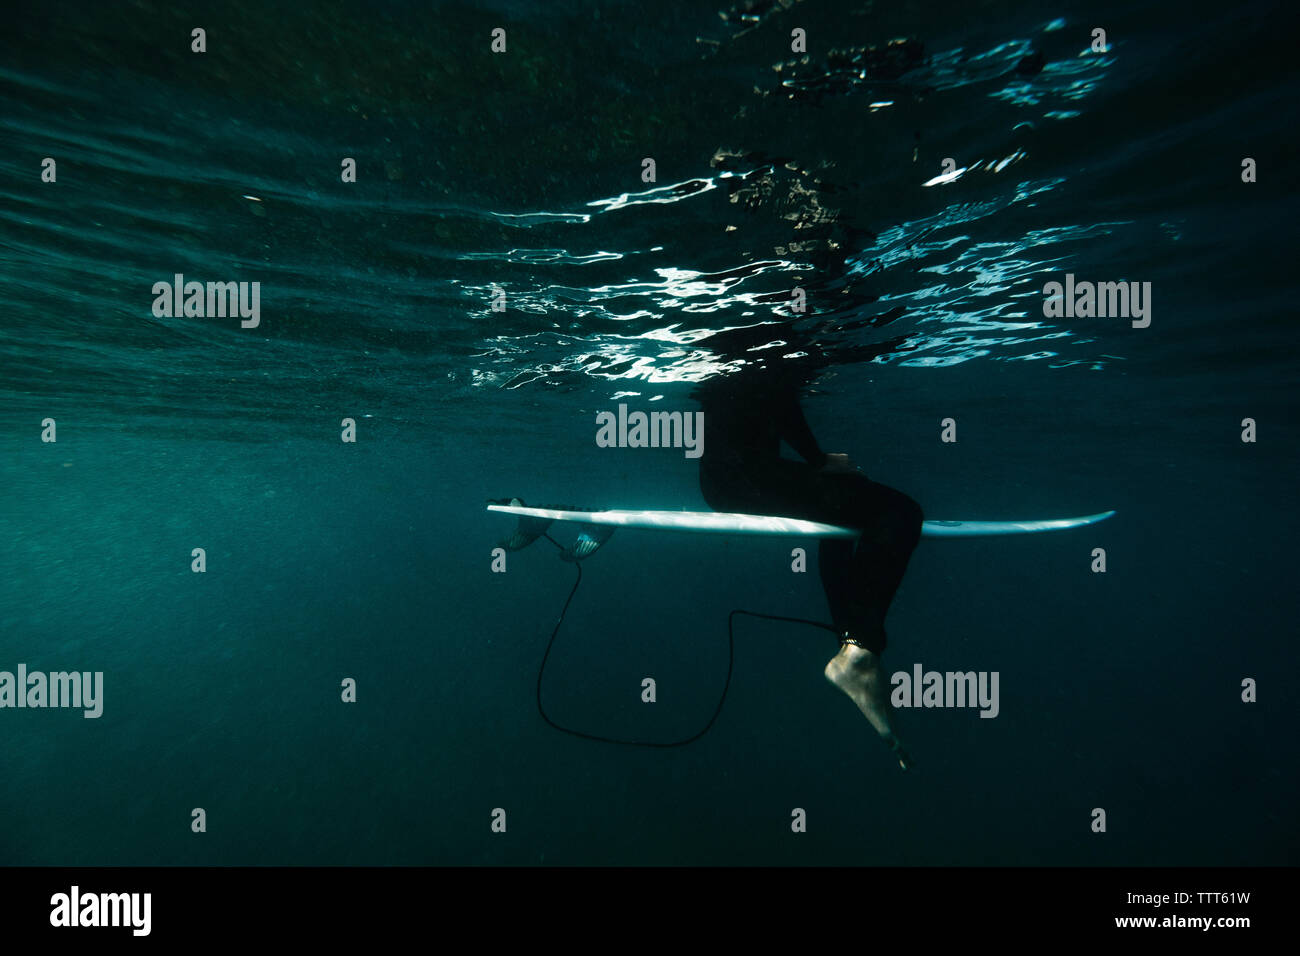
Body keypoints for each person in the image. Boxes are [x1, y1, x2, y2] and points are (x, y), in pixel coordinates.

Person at [692, 353, 923, 768]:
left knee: (838, 513)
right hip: (748, 479)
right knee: (899, 512)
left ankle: (852, 645)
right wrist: (819, 461)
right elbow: (773, 394)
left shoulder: (742, 318)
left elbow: (753, 395)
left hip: (723, 481)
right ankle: (858, 652)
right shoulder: (775, 318)